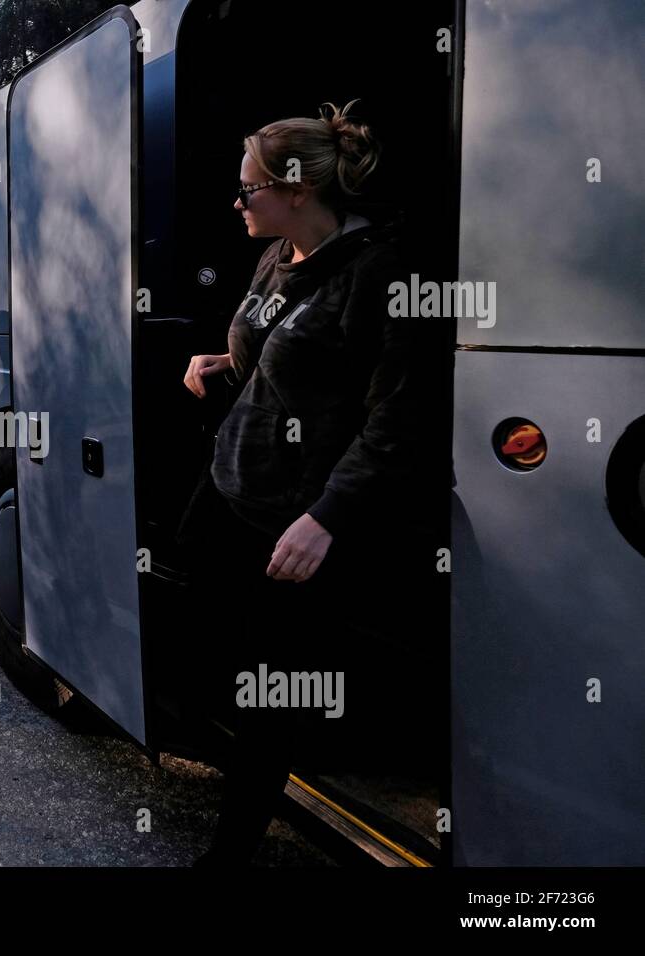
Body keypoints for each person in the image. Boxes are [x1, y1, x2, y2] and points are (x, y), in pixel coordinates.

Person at [177, 101, 423, 864]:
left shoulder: (378, 273)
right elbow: (269, 363)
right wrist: (220, 365)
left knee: (270, 692)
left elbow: (395, 422)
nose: (237, 202)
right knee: (205, 660)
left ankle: (233, 848)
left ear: (295, 189)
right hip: (227, 489)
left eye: (247, 189)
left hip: (295, 517)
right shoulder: (277, 254)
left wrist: (327, 518)